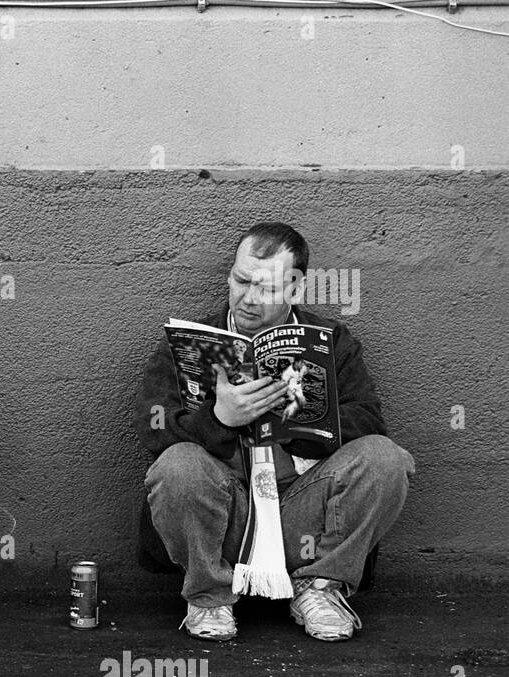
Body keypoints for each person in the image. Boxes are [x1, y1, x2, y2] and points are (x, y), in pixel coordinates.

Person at [136, 223, 414, 643]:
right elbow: (154, 429)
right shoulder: (185, 342)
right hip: (225, 515)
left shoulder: (332, 342)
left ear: (296, 289)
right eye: (240, 280)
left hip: (302, 517)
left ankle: (320, 588)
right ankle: (209, 596)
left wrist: (295, 422)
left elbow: (369, 420)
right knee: (177, 465)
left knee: (385, 458)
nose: (248, 298)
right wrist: (221, 419)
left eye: (265, 288)